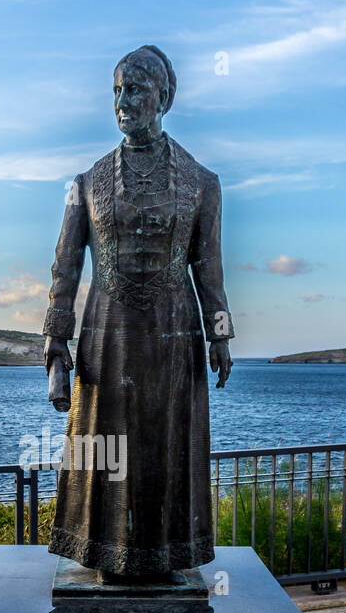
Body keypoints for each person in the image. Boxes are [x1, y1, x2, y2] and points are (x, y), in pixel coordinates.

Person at [43, 45, 233, 584]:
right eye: (117, 90)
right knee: (106, 448)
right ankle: (104, 550)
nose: (123, 101)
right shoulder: (86, 183)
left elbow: (209, 268)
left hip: (175, 337)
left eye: (136, 89)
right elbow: (65, 268)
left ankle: (166, 554)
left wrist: (220, 334)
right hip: (106, 336)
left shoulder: (202, 183)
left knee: (166, 448)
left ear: (163, 98)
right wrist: (56, 343)